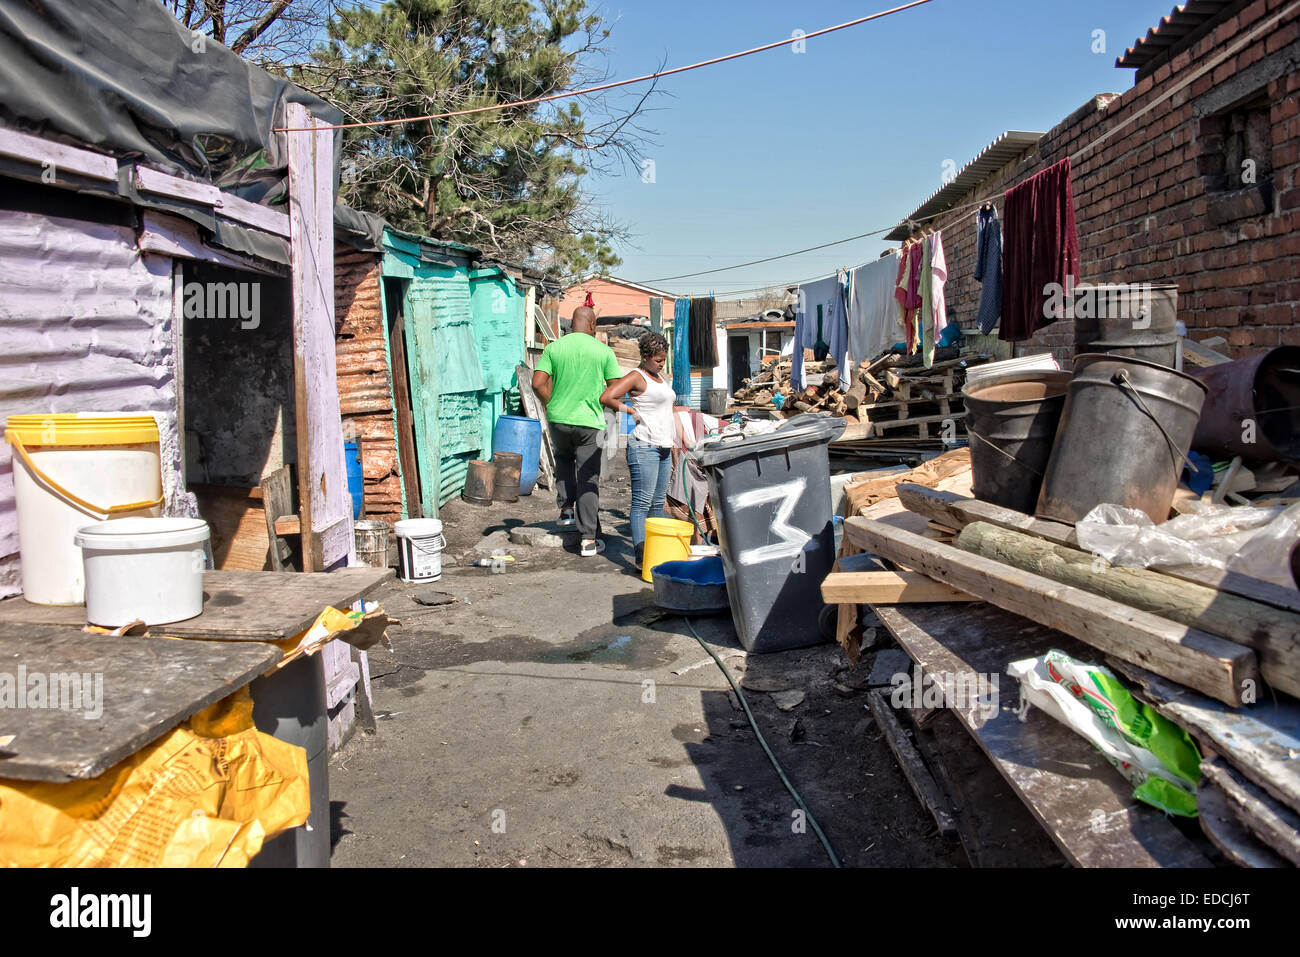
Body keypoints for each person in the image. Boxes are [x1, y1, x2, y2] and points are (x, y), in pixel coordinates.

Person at [531, 306, 621, 556]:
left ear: (571, 324)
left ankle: (567, 509)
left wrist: (551, 403)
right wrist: (601, 402)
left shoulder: (554, 347)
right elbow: (615, 387)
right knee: (588, 477)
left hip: (558, 419)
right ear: (592, 325)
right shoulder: (603, 351)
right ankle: (588, 539)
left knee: (563, 460)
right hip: (590, 423)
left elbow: (537, 383)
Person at [600, 332, 674, 567]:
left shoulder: (661, 379)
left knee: (658, 503)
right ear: (644, 356)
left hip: (663, 446)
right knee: (642, 503)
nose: (662, 364)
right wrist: (629, 410)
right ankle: (643, 559)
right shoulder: (636, 376)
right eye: (658, 360)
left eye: (664, 359)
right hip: (644, 446)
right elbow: (607, 396)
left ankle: (656, 554)